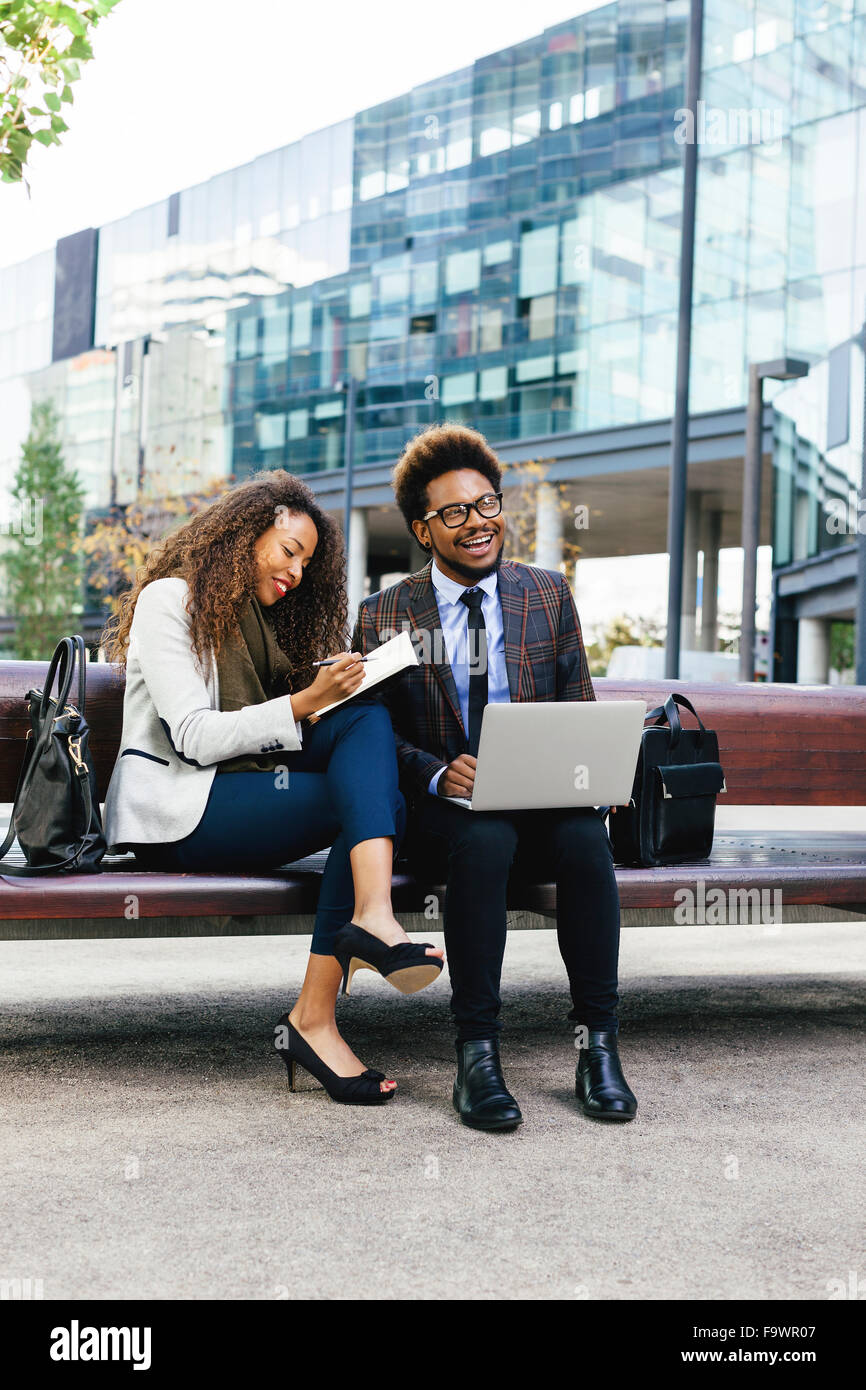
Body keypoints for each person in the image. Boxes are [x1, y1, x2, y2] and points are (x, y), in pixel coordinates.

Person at [102, 470, 443, 1107]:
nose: (296, 573)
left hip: (239, 796)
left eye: (308, 563)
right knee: (372, 803)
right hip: (180, 813)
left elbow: (279, 722)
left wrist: (328, 693)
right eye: (290, 551)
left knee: (364, 715)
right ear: (244, 534)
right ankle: (318, 1011)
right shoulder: (168, 600)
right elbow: (197, 737)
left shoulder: (259, 621)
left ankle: (364, 931)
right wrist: (304, 700)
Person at [353, 424, 636, 1132]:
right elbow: (370, 733)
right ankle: (477, 1055)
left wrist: (583, 775)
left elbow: (579, 707)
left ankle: (597, 1045)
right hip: (445, 814)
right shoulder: (384, 615)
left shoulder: (545, 595)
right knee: (485, 842)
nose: (478, 523)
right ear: (423, 529)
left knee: (585, 841)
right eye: (455, 513)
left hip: (538, 798)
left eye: (487, 504)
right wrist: (436, 772)